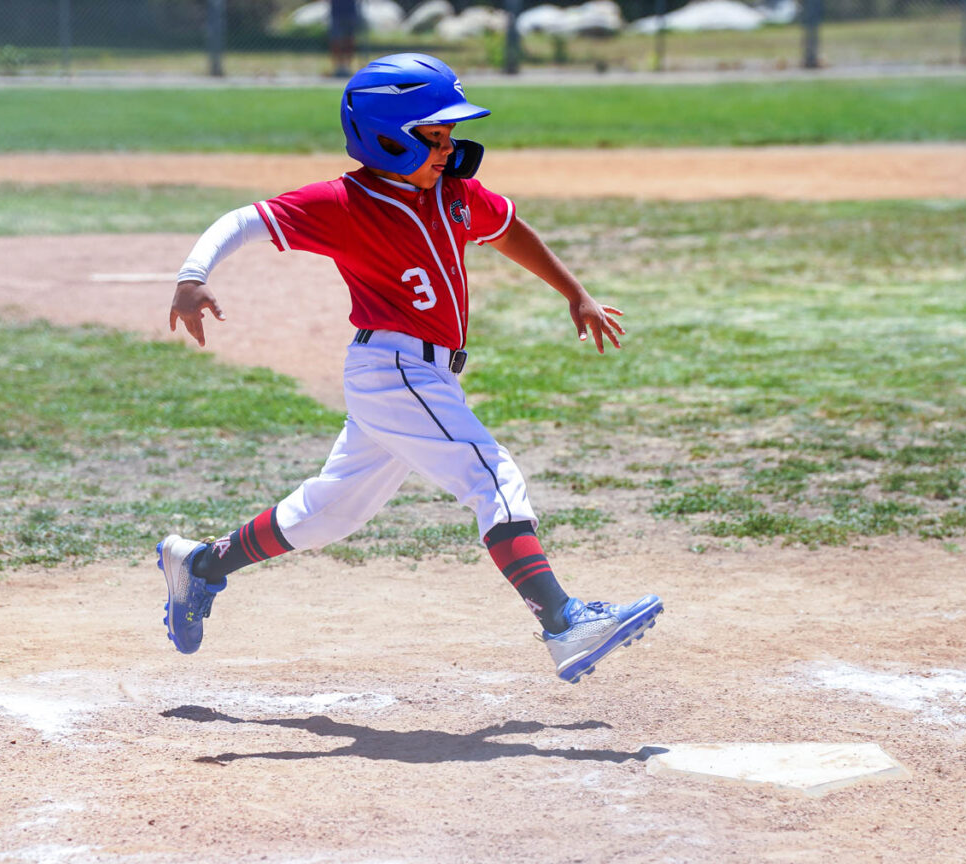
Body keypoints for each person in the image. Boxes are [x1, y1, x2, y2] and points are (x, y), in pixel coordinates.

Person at [157, 53, 663, 684]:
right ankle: (563, 621)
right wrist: (192, 276)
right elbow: (243, 221)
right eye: (434, 136)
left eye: (451, 136)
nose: (448, 149)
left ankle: (200, 565)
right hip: (392, 367)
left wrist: (574, 292)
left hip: (420, 375)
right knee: (492, 477)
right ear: (385, 136)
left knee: (330, 512)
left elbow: (510, 231)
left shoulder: (453, 196)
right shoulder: (344, 203)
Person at [329, 0, 358, 78]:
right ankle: (338, 66)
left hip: (350, 12)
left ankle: (348, 66)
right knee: (336, 41)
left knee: (349, 41)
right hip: (336, 12)